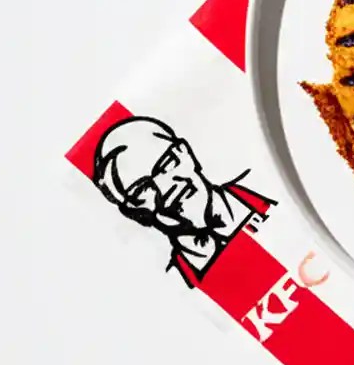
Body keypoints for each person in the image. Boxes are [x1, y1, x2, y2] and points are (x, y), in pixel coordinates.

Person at [93, 116, 275, 286]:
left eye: (167, 163)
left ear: (185, 153)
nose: (167, 186)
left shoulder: (272, 186)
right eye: (142, 189)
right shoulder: (174, 282)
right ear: (134, 211)